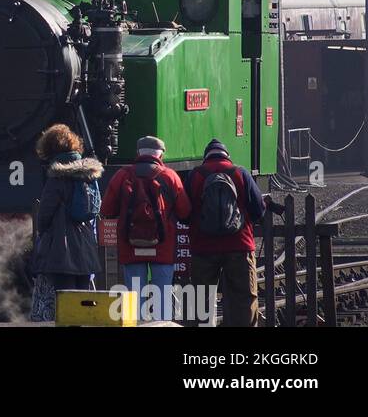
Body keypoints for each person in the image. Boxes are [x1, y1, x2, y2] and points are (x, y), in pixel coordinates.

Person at [101, 136, 191, 321]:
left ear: (138, 153)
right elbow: (184, 212)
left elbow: (106, 210)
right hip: (162, 246)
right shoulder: (170, 176)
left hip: (130, 245)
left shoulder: (122, 175)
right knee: (162, 298)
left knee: (134, 298)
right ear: (161, 155)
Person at [187, 139, 265, 327]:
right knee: (244, 298)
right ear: (227, 156)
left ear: (206, 157)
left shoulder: (195, 175)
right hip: (239, 245)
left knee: (200, 299)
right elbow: (259, 209)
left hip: (203, 247)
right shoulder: (240, 173)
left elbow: (184, 212)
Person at [29, 124, 102, 320]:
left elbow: (44, 214)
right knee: (84, 302)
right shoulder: (90, 175)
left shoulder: (57, 178)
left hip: (61, 250)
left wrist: (43, 235)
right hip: (86, 249)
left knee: (65, 303)